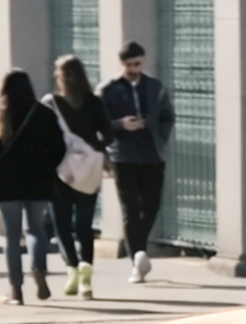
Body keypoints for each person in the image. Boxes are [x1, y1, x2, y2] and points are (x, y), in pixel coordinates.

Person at [0, 70, 65, 305]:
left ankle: (16, 290)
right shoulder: (44, 113)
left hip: (7, 182)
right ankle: (40, 271)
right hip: (38, 180)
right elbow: (60, 148)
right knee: (35, 229)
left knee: (11, 236)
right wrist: (48, 168)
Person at [99, 41, 174, 284]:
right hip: (123, 155)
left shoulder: (154, 86)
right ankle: (137, 259)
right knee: (130, 208)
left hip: (152, 154)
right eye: (129, 65)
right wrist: (121, 125)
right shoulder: (108, 89)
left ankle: (139, 250)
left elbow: (167, 116)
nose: (134, 68)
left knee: (151, 205)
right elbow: (98, 122)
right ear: (122, 64)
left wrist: (160, 137)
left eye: (138, 64)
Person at [43, 55, 114, 299]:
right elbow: (109, 135)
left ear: (61, 77)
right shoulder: (94, 102)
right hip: (89, 171)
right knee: (84, 225)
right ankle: (86, 276)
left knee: (61, 224)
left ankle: (71, 268)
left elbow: (42, 137)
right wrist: (92, 147)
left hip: (59, 172)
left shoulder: (51, 103)